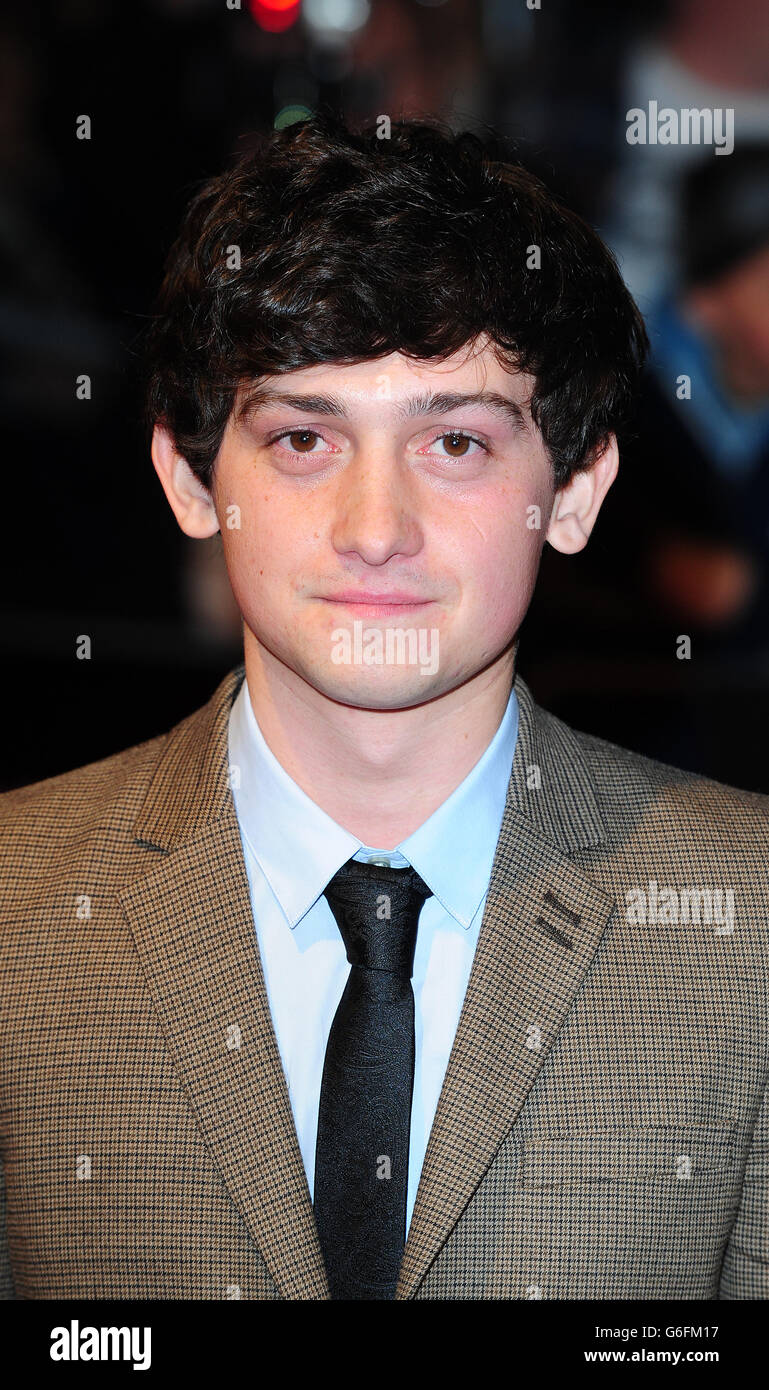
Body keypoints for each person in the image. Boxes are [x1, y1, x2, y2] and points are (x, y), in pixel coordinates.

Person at [1, 110, 767, 1302]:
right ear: (190, 478)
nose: (375, 529)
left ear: (573, 491)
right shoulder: (15, 913)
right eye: (305, 436)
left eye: (454, 442)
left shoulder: (749, 931)